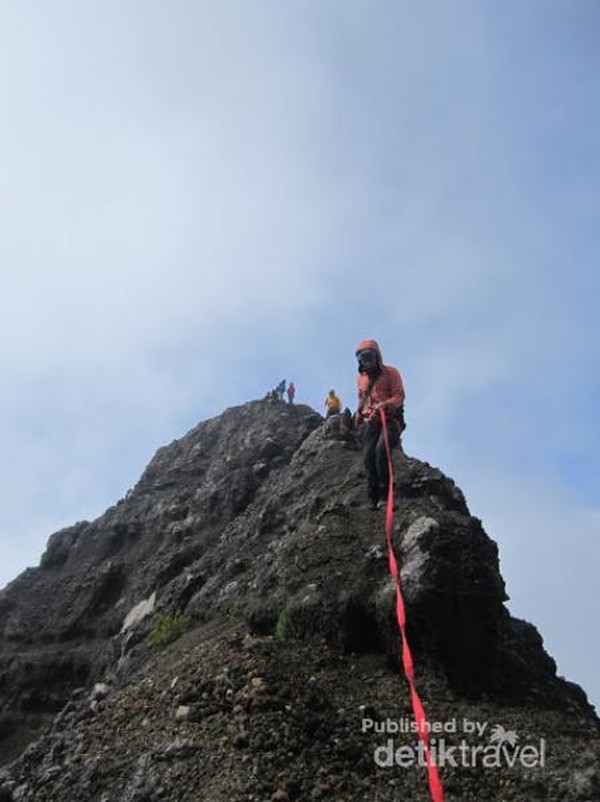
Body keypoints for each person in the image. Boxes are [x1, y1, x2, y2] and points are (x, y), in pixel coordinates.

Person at [355, 339, 405, 510]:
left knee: (381, 450)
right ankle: (373, 497)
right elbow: (362, 397)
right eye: (361, 358)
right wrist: (358, 414)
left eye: (368, 356)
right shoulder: (361, 379)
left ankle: (385, 496)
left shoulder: (391, 373)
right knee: (368, 455)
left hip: (391, 419)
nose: (364, 361)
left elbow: (399, 395)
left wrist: (386, 404)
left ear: (376, 356)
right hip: (372, 420)